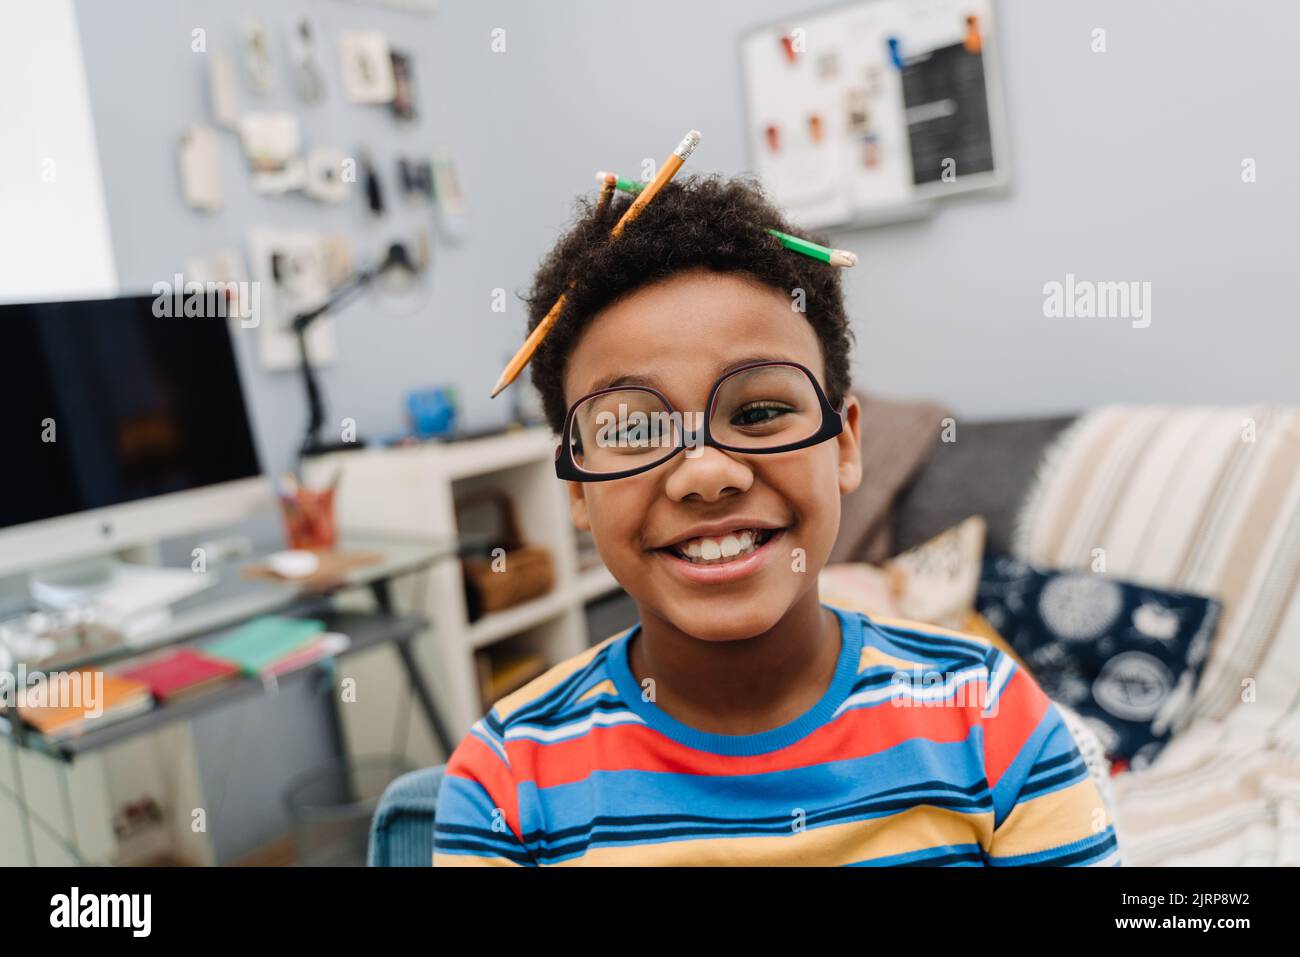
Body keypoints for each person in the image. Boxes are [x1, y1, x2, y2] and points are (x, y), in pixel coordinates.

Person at [433, 175, 1120, 866]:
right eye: (636, 429)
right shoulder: (506, 784)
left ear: (844, 443)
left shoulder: (993, 718)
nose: (705, 473)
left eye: (759, 413)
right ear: (577, 489)